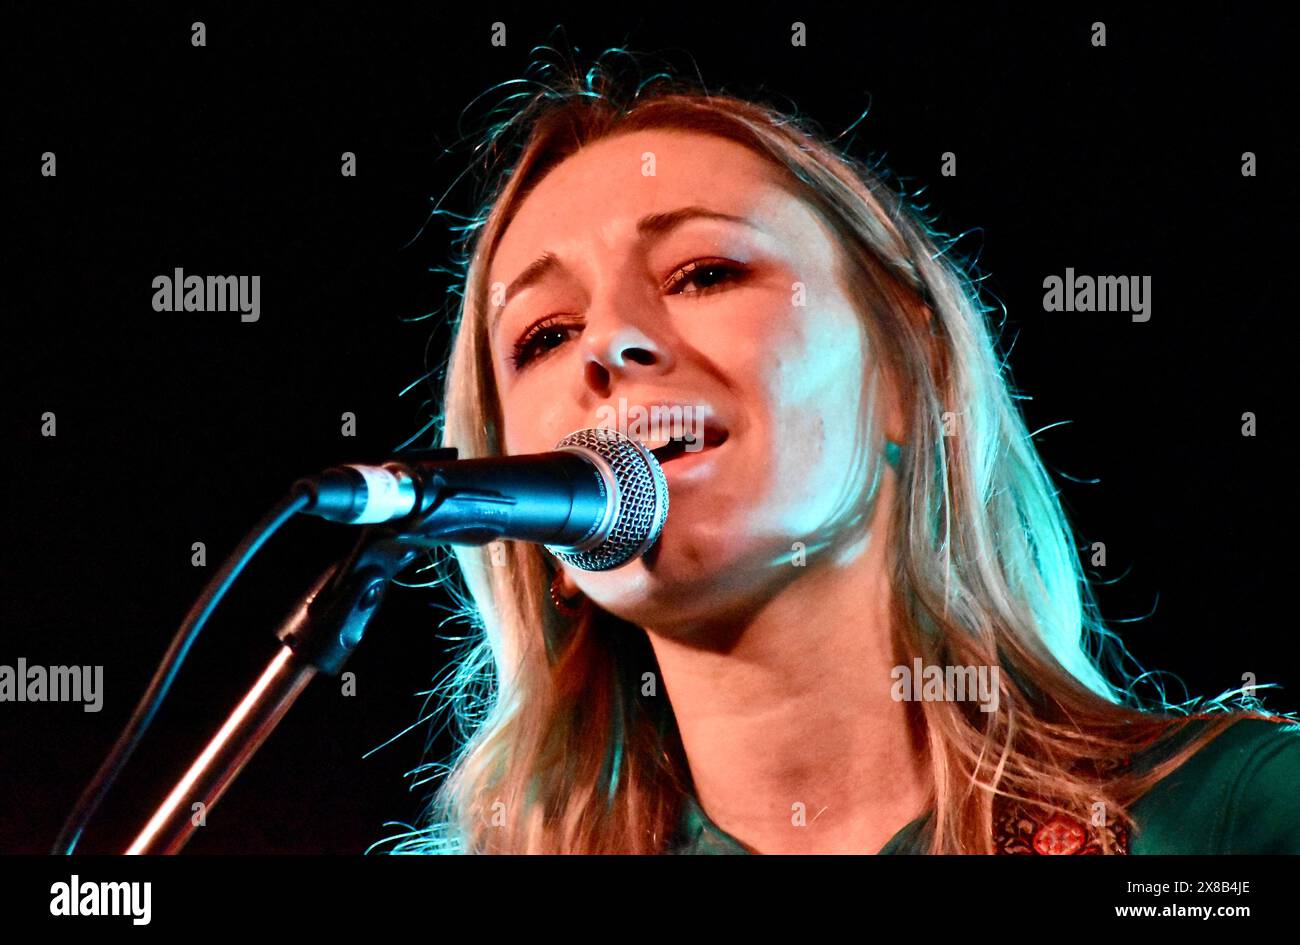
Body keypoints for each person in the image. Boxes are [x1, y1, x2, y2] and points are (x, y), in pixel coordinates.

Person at [379, 53, 1300, 855]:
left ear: (908, 375)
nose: (609, 341)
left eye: (703, 273)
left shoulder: (1230, 823)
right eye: (544, 334)